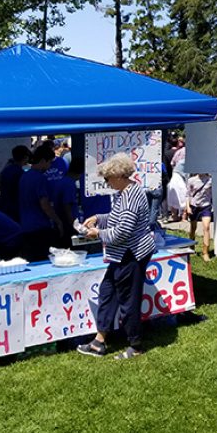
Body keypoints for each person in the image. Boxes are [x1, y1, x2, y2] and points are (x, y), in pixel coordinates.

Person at [77, 153, 155, 360]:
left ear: (119, 176)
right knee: (107, 292)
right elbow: (116, 218)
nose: (107, 183)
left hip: (131, 254)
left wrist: (98, 233)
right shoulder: (125, 192)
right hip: (122, 254)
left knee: (128, 301)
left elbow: (122, 231)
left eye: (108, 178)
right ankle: (99, 341)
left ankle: (135, 345)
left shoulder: (130, 196)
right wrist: (98, 218)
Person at [18, 145, 62, 261]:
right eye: (49, 162)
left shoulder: (24, 177)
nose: (50, 166)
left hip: (26, 225)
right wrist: (58, 221)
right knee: (43, 259)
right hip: (40, 227)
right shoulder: (40, 178)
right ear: (43, 161)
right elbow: (45, 204)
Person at [0, 145, 30, 221]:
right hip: (14, 208)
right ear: (25, 157)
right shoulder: (20, 173)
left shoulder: (6, 169)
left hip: (3, 204)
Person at [186, 171, 214, 261]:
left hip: (206, 206)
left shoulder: (210, 180)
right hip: (194, 206)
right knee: (193, 228)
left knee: (206, 227)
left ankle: (205, 252)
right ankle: (191, 246)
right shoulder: (191, 180)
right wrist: (188, 207)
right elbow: (188, 195)